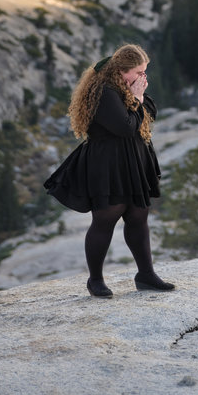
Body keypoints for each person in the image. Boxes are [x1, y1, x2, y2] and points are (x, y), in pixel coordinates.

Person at [43, 43, 174, 297]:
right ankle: (95, 280)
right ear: (122, 71)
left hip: (133, 160)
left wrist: (138, 98)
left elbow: (150, 113)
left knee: (138, 216)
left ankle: (146, 274)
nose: (142, 77)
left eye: (145, 71)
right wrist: (137, 99)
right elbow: (126, 127)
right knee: (105, 219)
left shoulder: (126, 88)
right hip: (108, 163)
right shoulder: (104, 91)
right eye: (138, 72)